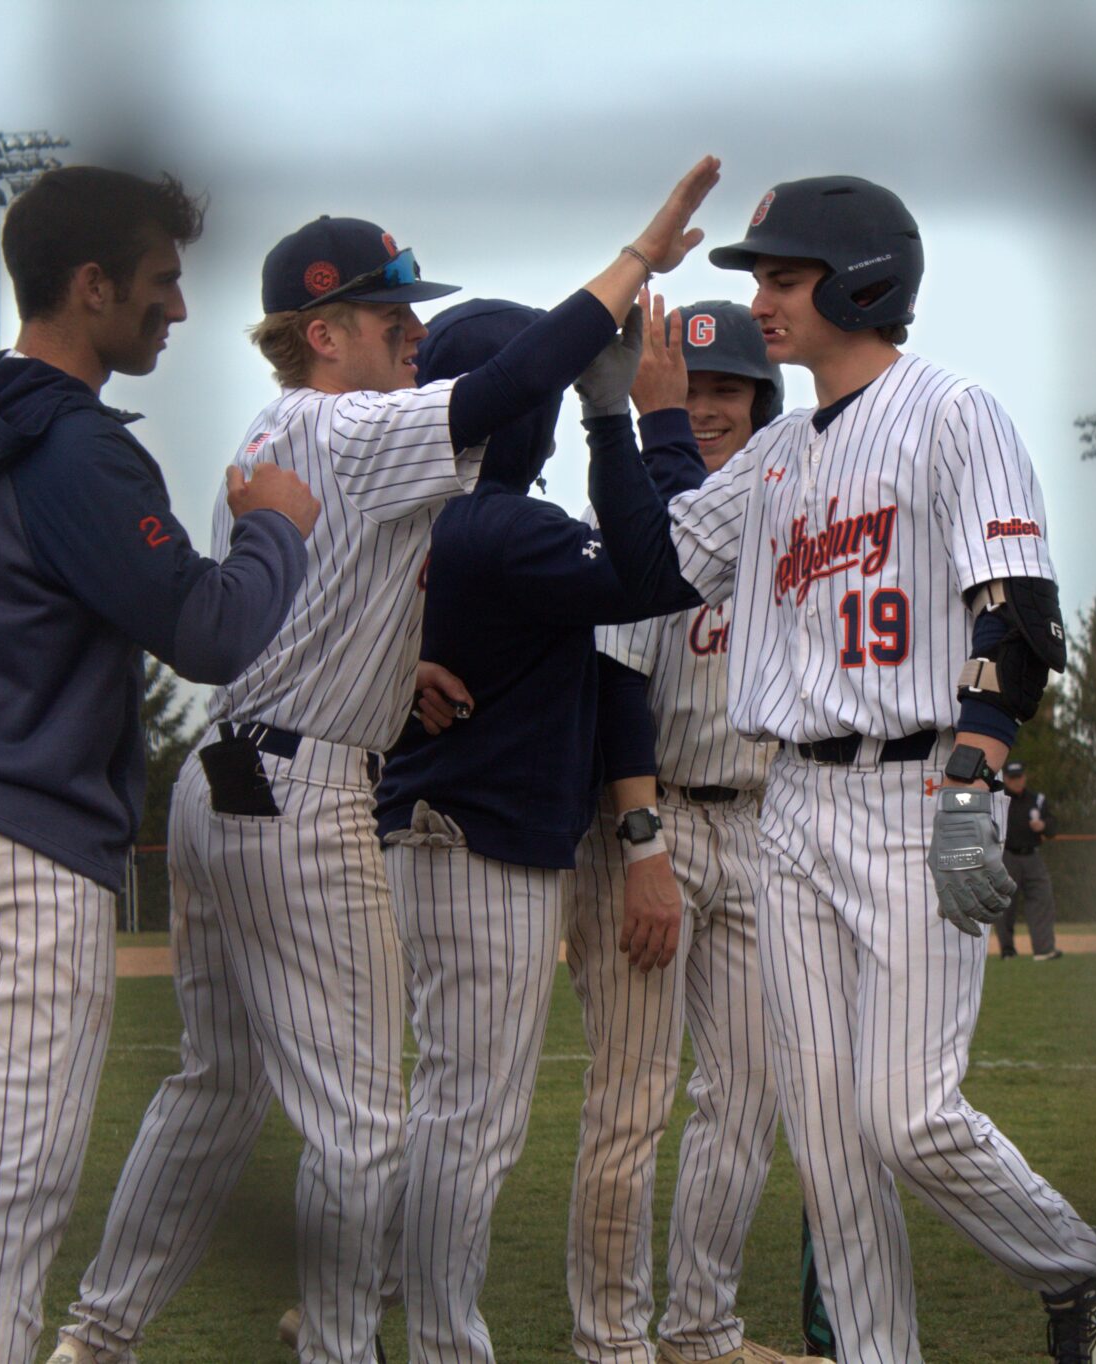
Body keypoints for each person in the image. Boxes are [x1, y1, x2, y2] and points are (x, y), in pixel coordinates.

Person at [47, 158, 723, 1364]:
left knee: (211, 1089)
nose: (413, 334)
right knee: (361, 1123)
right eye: (388, 315)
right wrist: (635, 263)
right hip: (301, 790)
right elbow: (511, 383)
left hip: (227, 774)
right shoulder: (347, 422)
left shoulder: (279, 430)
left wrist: (386, 662)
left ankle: (95, 1337)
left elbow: (304, 591)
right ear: (322, 332)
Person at [658, 175, 1096, 1364]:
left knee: (908, 1114)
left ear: (861, 278)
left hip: (915, 787)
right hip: (792, 801)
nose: (761, 297)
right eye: (757, 276)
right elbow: (647, 563)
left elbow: (1017, 612)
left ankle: (1081, 1264)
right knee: (826, 1140)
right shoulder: (771, 453)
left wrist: (975, 779)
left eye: (783, 273)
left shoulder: (950, 411)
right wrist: (631, 417)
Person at [0, 164, 318, 1364]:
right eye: (161, 281)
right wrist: (277, 526)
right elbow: (210, 630)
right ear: (92, 283)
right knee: (5, 1192)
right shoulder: (77, 450)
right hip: (23, 849)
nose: (177, 307)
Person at [369, 288, 708, 1363]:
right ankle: (435, 1339)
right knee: (468, 1120)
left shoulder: (421, 514)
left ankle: (360, 1307)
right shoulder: (496, 518)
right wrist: (627, 420)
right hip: (479, 841)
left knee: (445, 1108)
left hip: (437, 830)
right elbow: (653, 580)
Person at [562, 299, 821, 1364]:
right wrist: (642, 849)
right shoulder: (641, 507)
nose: (706, 406)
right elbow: (616, 680)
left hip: (760, 818)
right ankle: (610, 1339)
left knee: (748, 1094)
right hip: (648, 819)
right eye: (689, 385)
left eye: (726, 387)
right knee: (632, 1096)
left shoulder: (792, 506)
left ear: (762, 398)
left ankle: (699, 1328)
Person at [995, 760, 1063, 961]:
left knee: (1042, 900)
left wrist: (1043, 825)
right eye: (1012, 778)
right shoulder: (999, 799)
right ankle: (1008, 951)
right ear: (1005, 778)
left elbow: (1052, 827)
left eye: (1019, 777)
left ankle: (1044, 950)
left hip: (1032, 856)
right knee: (1005, 904)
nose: (1016, 782)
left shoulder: (1037, 800)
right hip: (1007, 857)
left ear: (1024, 777)